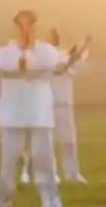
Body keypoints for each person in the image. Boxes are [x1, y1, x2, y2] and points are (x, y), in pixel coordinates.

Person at [0, 10, 80, 207]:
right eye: (21, 25)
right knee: (8, 165)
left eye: (29, 24)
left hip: (39, 112)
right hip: (12, 113)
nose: (25, 29)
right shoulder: (6, 52)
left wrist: (67, 60)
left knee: (44, 163)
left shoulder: (46, 51)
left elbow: (58, 66)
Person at [26, 27, 90, 185]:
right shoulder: (40, 57)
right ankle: (48, 174)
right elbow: (59, 68)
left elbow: (73, 64)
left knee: (69, 140)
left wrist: (83, 48)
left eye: (56, 35)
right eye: (51, 35)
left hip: (64, 103)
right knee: (46, 142)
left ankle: (72, 174)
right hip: (45, 103)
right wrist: (75, 55)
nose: (54, 37)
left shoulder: (64, 54)